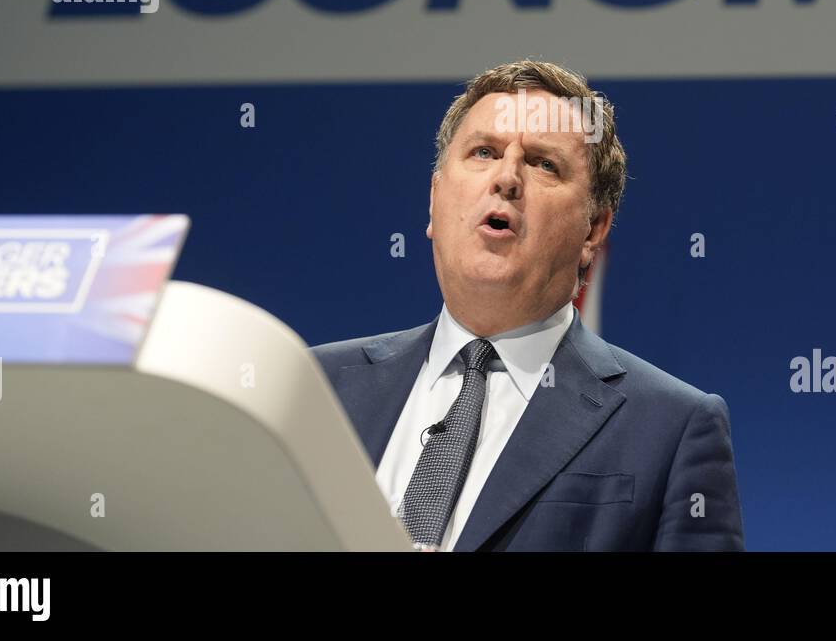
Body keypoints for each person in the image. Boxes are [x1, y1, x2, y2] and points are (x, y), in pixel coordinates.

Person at [312, 59, 745, 551]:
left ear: (593, 230)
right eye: (483, 152)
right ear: (434, 200)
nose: (507, 178)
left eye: (543, 163)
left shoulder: (670, 429)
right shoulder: (317, 387)